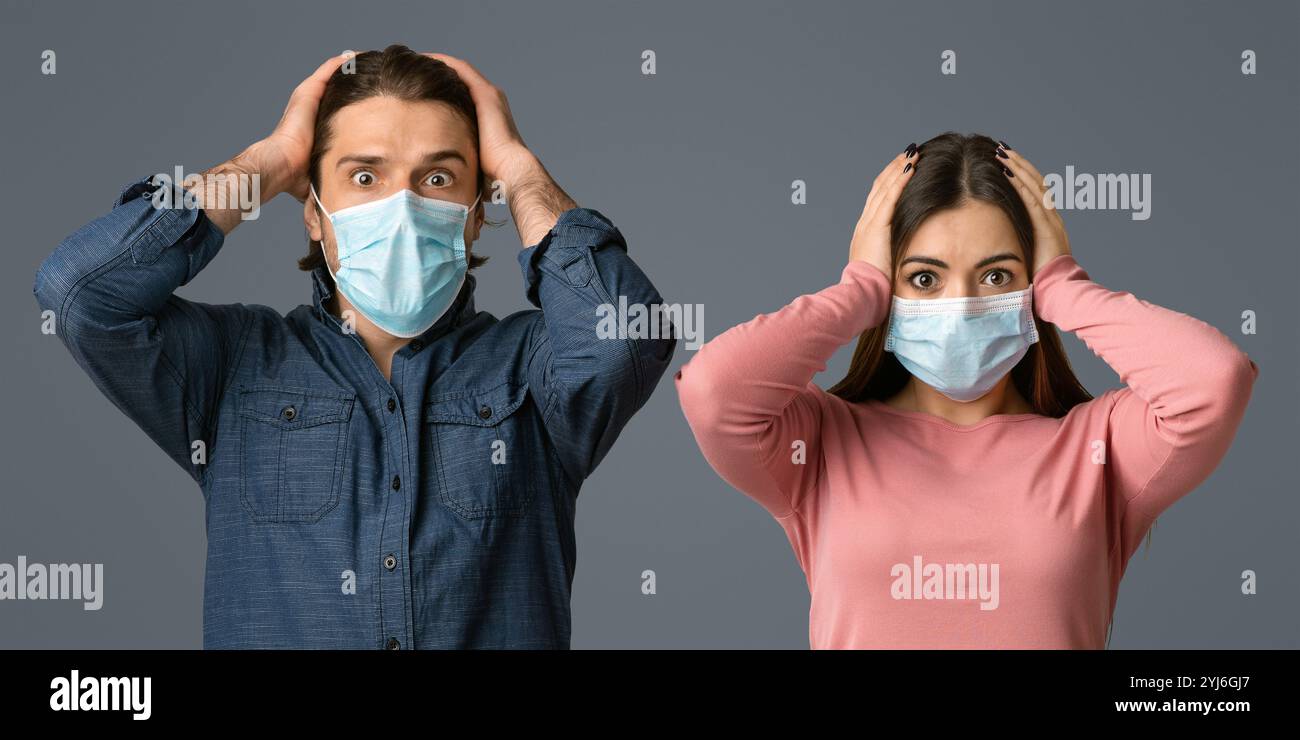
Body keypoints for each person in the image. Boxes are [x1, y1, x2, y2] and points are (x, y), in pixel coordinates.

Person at [33, 45, 676, 649]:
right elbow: (82, 292)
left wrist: (517, 166)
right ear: (313, 211)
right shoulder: (232, 365)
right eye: (365, 176)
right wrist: (271, 161)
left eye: (438, 178)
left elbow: (622, 341)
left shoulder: (533, 369)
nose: (400, 207)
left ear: (479, 211)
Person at [674, 132, 1259, 649]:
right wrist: (858, 289)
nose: (960, 306)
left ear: (1029, 285)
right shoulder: (822, 442)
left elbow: (1212, 380)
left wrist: (1065, 288)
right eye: (924, 278)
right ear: (891, 291)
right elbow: (714, 393)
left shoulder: (1100, 449)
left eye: (997, 275)